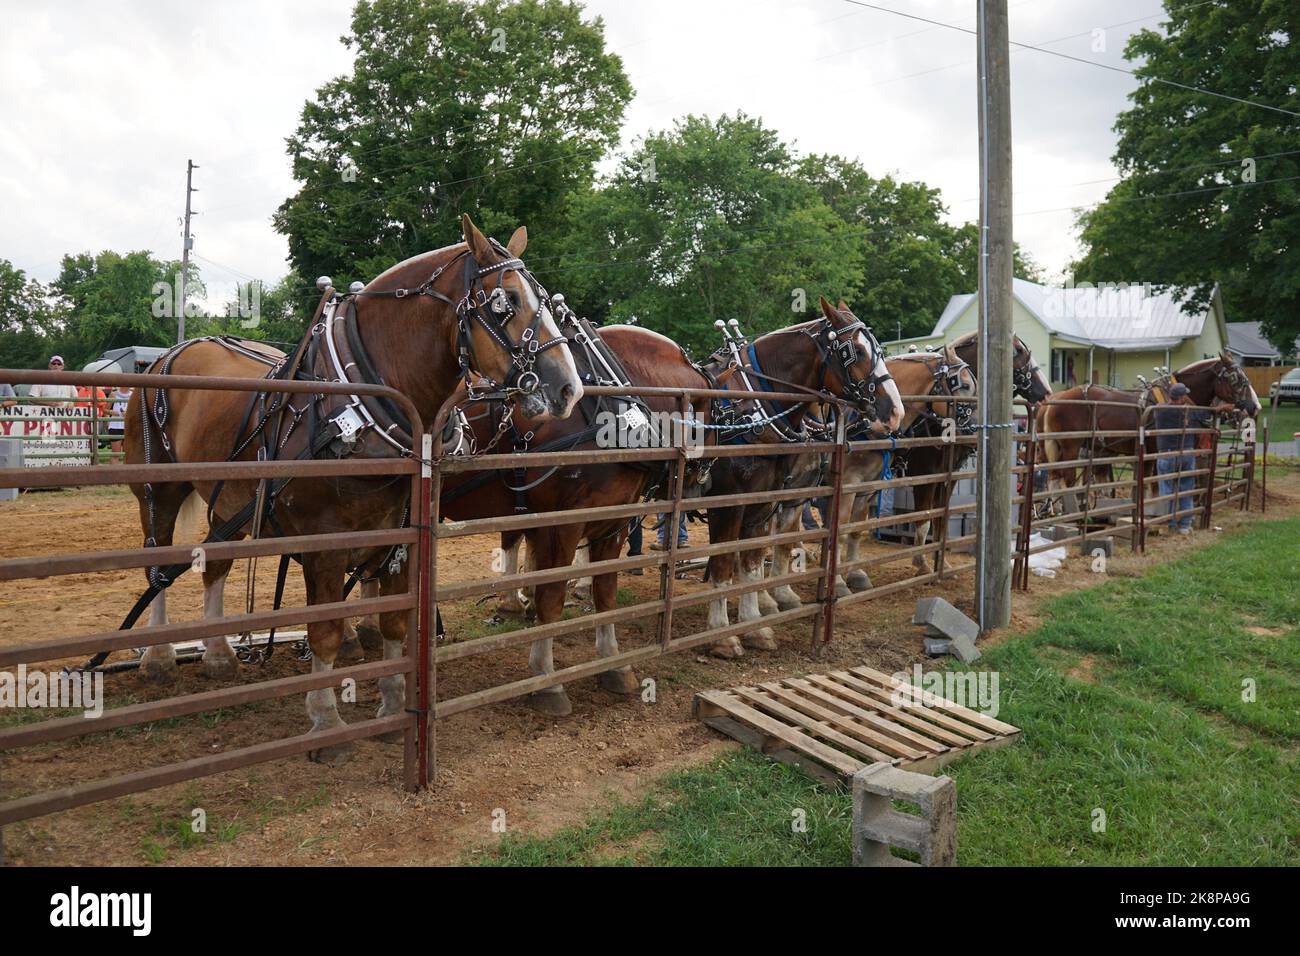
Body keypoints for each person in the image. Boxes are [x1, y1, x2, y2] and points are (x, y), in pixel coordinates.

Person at [1153, 383, 1208, 535]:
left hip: (1166, 453)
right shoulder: (1191, 412)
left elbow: (1158, 406)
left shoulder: (1159, 410)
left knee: (1167, 489)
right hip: (1186, 453)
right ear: (1182, 397)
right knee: (1186, 488)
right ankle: (1184, 525)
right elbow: (1208, 415)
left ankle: (1170, 523)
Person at [106, 385, 132, 461]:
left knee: (127, 454)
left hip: (128, 427)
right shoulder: (113, 394)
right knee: (115, 454)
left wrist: (128, 413)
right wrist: (113, 412)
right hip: (115, 426)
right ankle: (113, 472)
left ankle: (126, 472)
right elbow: (105, 410)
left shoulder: (132, 395)